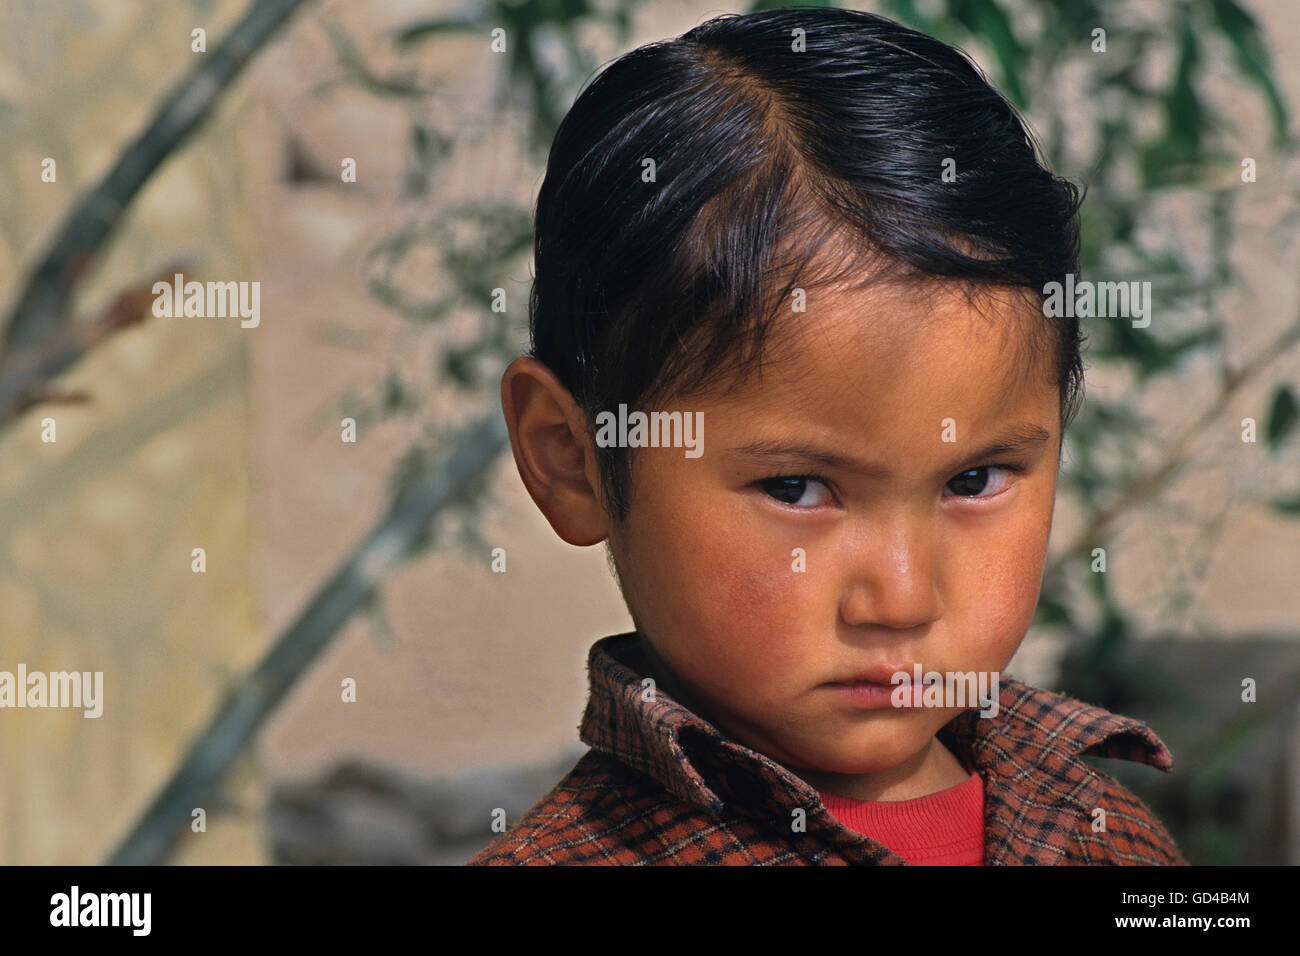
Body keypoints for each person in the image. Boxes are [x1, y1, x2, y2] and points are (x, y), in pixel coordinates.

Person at [468, 6, 1186, 865]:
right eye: (797, 489)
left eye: (975, 481)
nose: (903, 600)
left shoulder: (1102, 832)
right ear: (572, 460)